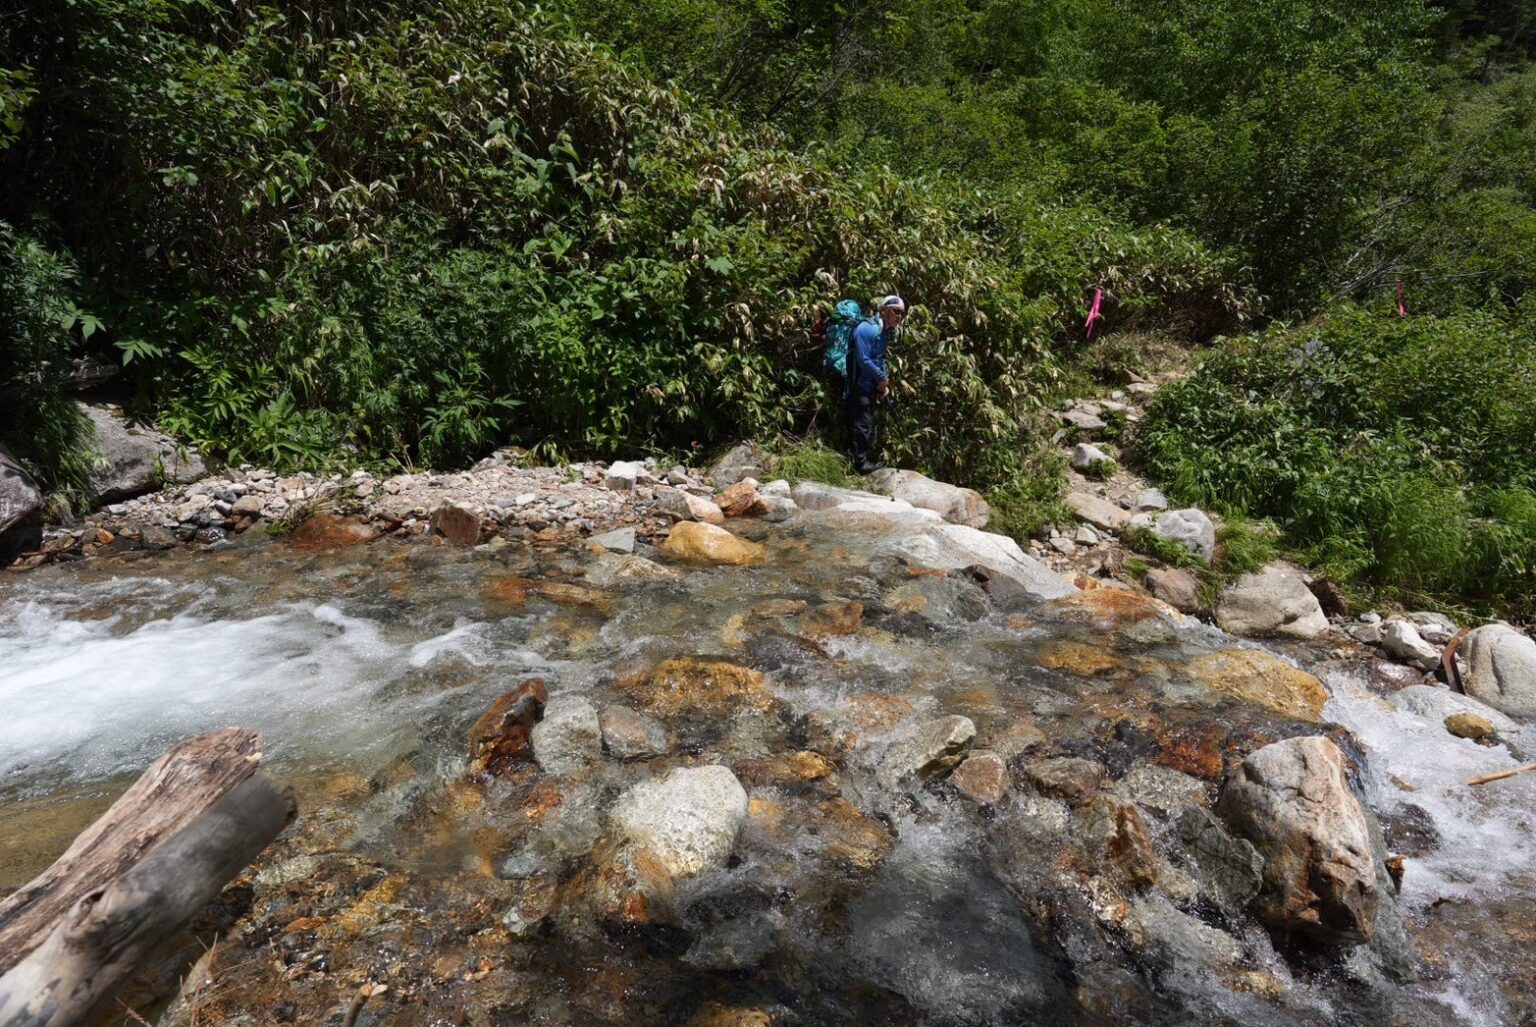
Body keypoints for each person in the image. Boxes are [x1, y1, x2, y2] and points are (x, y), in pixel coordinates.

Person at [846, 294, 906, 474]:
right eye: (896, 311)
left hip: (869, 384)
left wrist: (883, 382)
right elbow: (864, 360)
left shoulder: (885, 332)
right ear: (885, 310)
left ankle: (857, 461)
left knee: (866, 423)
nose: (899, 316)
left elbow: (880, 358)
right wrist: (881, 378)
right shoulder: (867, 329)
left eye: (902, 313)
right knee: (862, 425)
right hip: (858, 384)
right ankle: (861, 465)